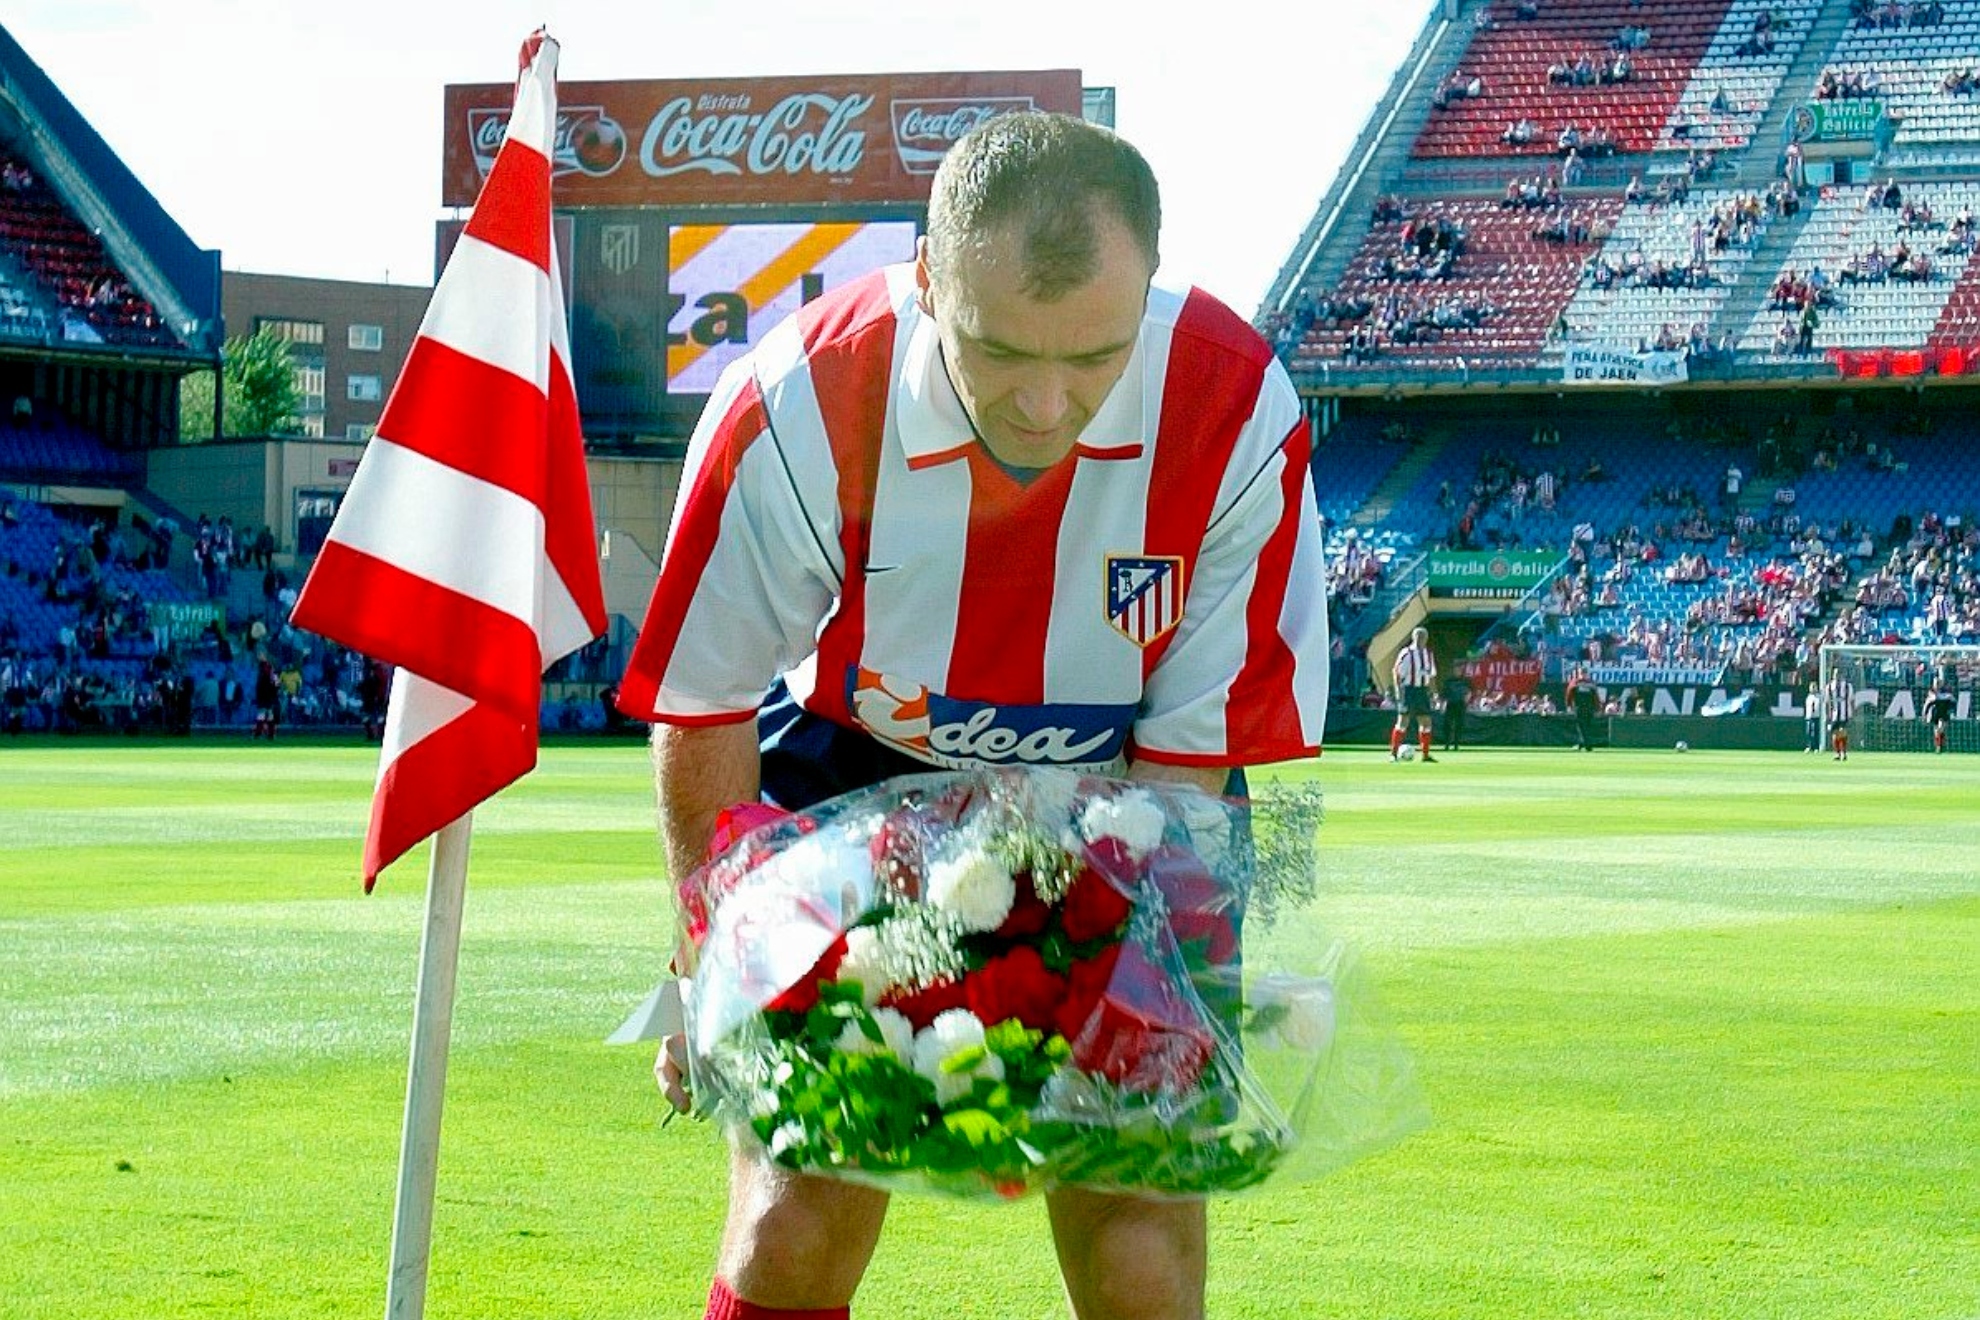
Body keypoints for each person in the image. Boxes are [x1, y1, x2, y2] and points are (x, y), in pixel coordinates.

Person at [614, 110, 1331, 1320]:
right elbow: (705, 708)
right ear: (928, 279)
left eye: (1096, 356)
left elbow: (1188, 773)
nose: (1048, 406)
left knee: (1140, 1259)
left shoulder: (1237, 407)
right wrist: (712, 971)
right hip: (848, 781)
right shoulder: (794, 402)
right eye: (999, 350)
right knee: (796, 1218)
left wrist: (1087, 997)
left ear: (1149, 293)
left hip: (1134, 801)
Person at [1390, 626, 1438, 761]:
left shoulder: (1428, 654)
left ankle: (1425, 754)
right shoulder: (1406, 653)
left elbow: (1432, 675)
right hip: (1409, 690)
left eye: (1423, 637)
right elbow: (1396, 672)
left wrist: (1434, 694)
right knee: (1403, 721)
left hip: (1422, 690)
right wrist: (1398, 691)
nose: (1421, 640)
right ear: (1414, 637)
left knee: (1426, 722)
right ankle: (1393, 754)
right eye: (1419, 637)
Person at [1565, 666, 1601, 750]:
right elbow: (1569, 695)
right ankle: (1586, 745)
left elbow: (1595, 697)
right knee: (1582, 727)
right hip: (1579, 707)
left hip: (1587, 708)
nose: (1583, 675)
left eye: (1584, 673)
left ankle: (1583, 744)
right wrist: (1569, 705)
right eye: (1582, 673)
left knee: (1584, 727)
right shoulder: (1577, 683)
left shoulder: (1578, 682)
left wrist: (1598, 708)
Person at [1825, 667, 1855, 761]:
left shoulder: (1847, 686)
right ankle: (1837, 753)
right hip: (1834, 714)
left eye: (1839, 674)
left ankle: (1844, 753)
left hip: (1844, 714)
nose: (1837, 676)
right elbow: (1827, 702)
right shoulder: (1829, 687)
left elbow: (1852, 700)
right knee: (1835, 734)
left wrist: (1852, 712)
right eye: (1835, 674)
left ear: (1842, 675)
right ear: (1833, 675)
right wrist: (1827, 715)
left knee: (1842, 732)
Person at [1440, 669, 1471, 751]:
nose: (1458, 672)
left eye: (1459, 670)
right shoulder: (1449, 681)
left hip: (1461, 704)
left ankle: (1456, 744)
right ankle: (1447, 743)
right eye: (1456, 670)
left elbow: (1469, 692)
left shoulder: (1465, 681)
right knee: (1447, 725)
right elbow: (1444, 693)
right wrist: (1442, 704)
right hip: (1450, 704)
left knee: (1459, 725)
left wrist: (1467, 700)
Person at [1923, 676, 1955, 753]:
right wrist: (1925, 714)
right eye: (1935, 683)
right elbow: (1927, 704)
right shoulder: (1931, 692)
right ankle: (1938, 746)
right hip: (1935, 713)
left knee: (1941, 728)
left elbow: (1952, 700)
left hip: (1944, 712)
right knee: (1937, 731)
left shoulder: (1946, 691)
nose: (1936, 685)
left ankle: (1940, 746)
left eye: (1938, 683)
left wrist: (1951, 710)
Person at [1802, 680, 1823, 753]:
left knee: (1815, 733)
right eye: (1812, 687)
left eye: (1814, 687)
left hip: (1816, 717)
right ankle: (1809, 746)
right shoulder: (1809, 697)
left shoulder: (1819, 696)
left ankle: (1816, 747)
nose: (1813, 689)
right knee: (1808, 732)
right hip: (1809, 717)